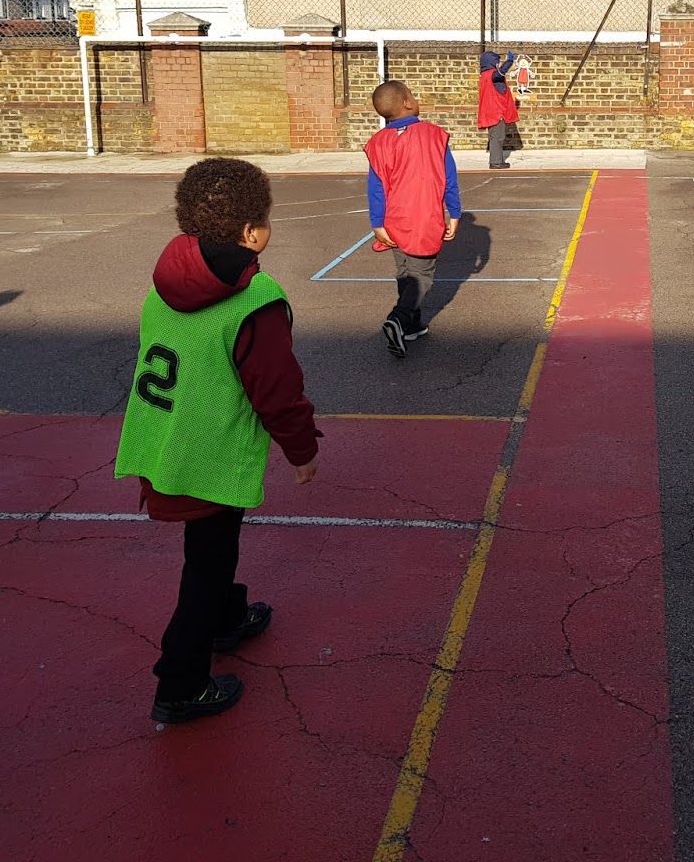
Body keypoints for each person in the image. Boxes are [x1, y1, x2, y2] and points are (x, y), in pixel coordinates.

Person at [113, 158, 321, 723]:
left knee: (213, 548)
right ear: (253, 233)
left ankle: (228, 618)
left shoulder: (165, 283)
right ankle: (181, 683)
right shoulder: (256, 300)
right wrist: (302, 449)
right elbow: (276, 390)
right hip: (207, 451)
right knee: (206, 562)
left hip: (162, 439)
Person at [365, 80, 462, 357]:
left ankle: (411, 324)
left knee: (406, 272)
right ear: (407, 103)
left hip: (394, 220)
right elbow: (449, 180)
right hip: (424, 218)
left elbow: (376, 187)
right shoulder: (434, 135)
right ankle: (398, 317)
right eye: (412, 95)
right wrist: (454, 213)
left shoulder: (379, 142)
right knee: (422, 276)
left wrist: (377, 222)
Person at [477, 50, 520, 169]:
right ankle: (496, 161)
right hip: (496, 111)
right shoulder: (492, 75)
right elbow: (500, 73)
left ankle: (498, 160)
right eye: (498, 62)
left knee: (495, 137)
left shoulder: (484, 76)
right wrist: (509, 62)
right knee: (498, 137)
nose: (499, 64)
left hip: (490, 111)